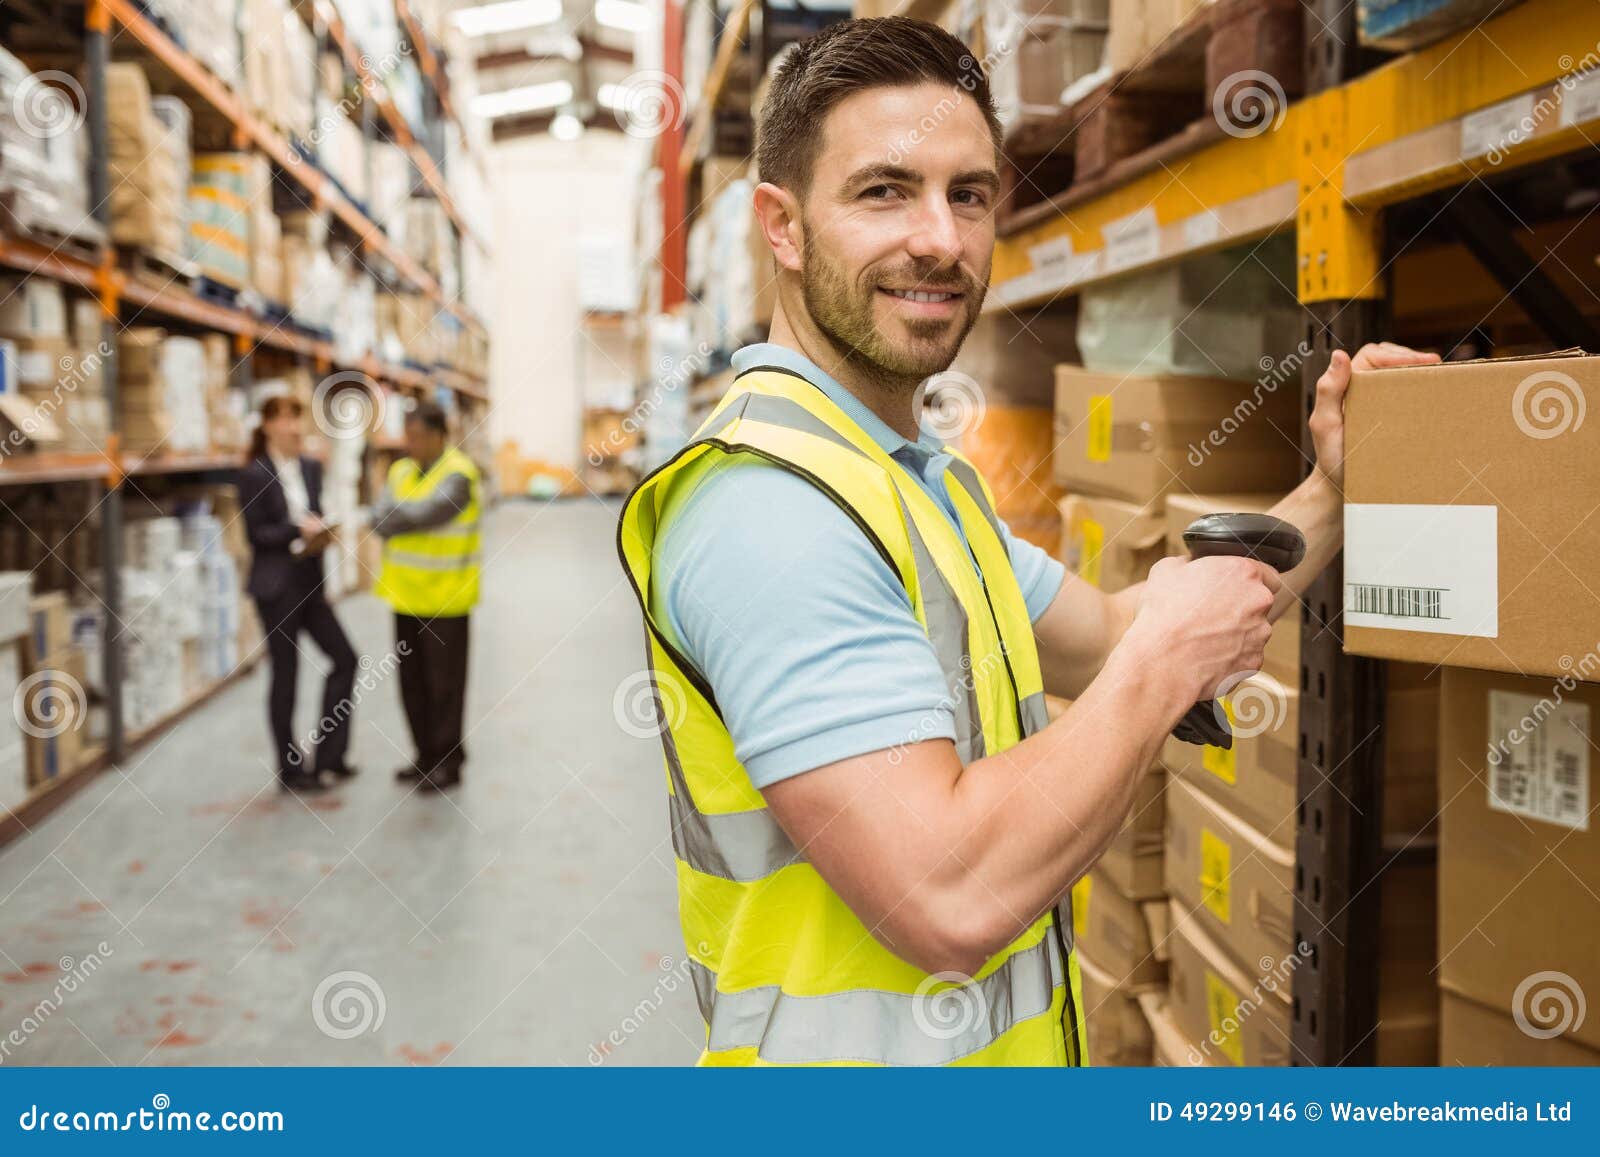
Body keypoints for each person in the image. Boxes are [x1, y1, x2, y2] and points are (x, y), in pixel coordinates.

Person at [616, 16, 1441, 1067]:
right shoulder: (768, 510)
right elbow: (945, 893)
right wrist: (1161, 667)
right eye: (884, 191)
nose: (941, 239)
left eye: (968, 194)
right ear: (781, 226)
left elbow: (1113, 631)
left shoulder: (915, 487)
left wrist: (1330, 488)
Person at [238, 394, 360, 792]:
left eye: (296, 418)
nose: (293, 427)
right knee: (285, 674)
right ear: (268, 425)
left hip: (309, 580)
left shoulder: (310, 467)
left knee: (345, 658)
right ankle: (290, 770)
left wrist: (320, 531)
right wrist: (297, 530)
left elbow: (314, 512)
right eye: (284, 419)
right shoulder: (255, 474)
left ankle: (331, 757)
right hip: (276, 586)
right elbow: (257, 535)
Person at [371, 401, 482, 792]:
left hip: (447, 601)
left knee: (445, 687)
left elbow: (429, 514)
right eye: (408, 436)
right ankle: (424, 756)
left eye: (417, 437)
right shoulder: (399, 470)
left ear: (439, 436)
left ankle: (449, 761)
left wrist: (394, 517)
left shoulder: (459, 475)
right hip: (404, 598)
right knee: (412, 685)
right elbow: (377, 517)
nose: (410, 444)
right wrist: (394, 517)